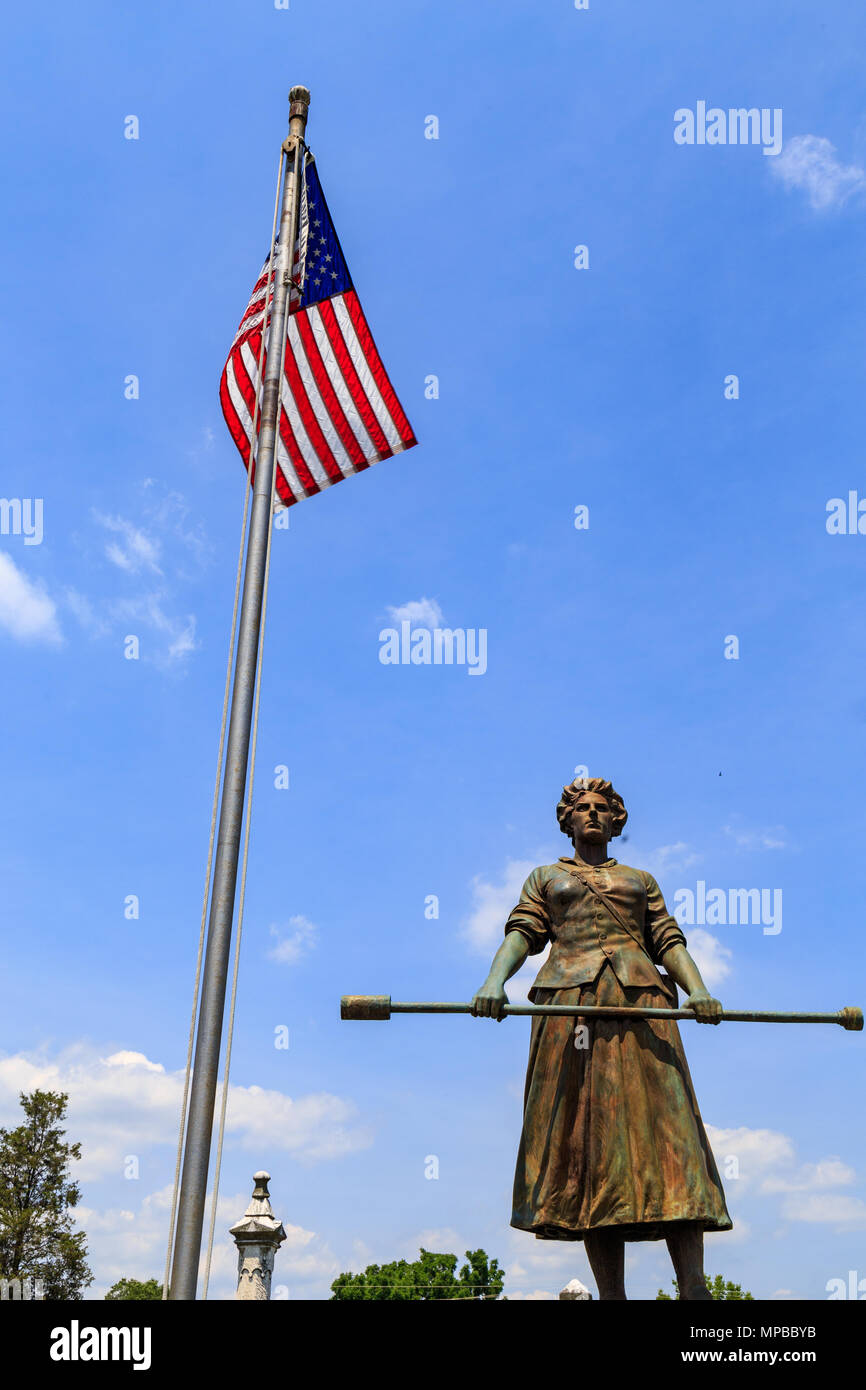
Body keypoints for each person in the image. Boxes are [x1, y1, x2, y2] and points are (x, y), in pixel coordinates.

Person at [470, 776, 732, 1300]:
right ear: (567, 821)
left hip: (642, 1008)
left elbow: (667, 938)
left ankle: (694, 1286)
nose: (591, 814)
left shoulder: (641, 879)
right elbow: (522, 933)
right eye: (581, 808)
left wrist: (699, 990)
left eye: (601, 808)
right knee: (592, 1151)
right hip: (572, 1010)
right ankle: (612, 1294)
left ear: (617, 820)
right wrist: (494, 981)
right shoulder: (545, 877)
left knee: (672, 1142)